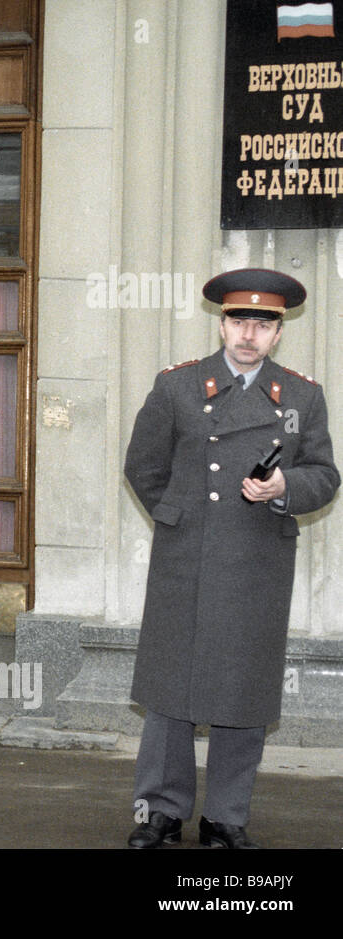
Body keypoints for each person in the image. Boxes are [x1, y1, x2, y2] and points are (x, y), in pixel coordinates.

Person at [123, 268, 338, 848]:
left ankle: (225, 818)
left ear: (278, 333)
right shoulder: (178, 387)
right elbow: (143, 467)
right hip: (186, 558)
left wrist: (284, 487)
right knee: (171, 691)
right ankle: (160, 813)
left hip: (257, 561)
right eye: (239, 320)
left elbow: (325, 476)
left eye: (262, 324)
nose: (249, 333)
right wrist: (180, 516)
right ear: (222, 324)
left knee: (242, 692)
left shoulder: (301, 397)